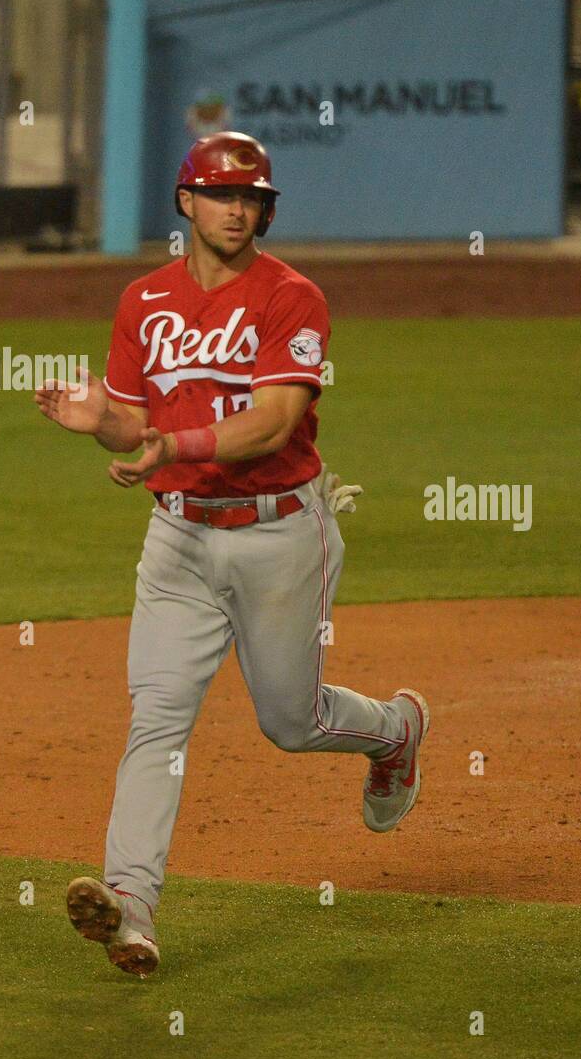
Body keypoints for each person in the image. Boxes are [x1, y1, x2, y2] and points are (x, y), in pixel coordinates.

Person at [34, 131, 428, 977]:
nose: (237, 208)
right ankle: (129, 910)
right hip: (177, 538)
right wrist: (96, 420)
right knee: (156, 719)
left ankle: (395, 731)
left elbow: (275, 422)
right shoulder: (143, 301)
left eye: (252, 197)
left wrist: (168, 446)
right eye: (219, 193)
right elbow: (135, 425)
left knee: (292, 721)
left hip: (281, 533)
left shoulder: (292, 298)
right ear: (186, 201)